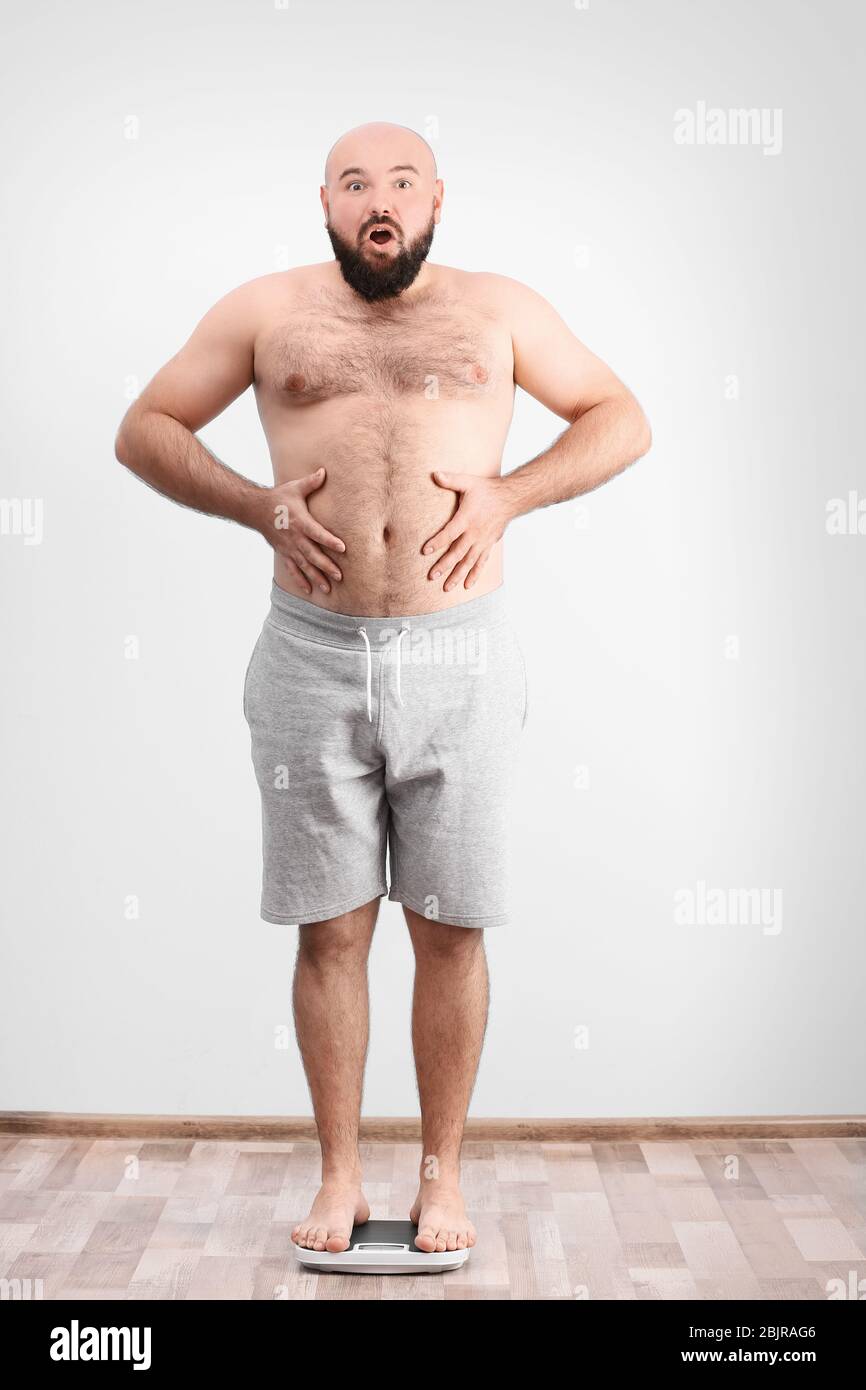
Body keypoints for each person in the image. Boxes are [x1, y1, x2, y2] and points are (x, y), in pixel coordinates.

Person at [114, 120, 651, 1257]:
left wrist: (508, 496)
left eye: (401, 180)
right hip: (308, 649)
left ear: (436, 199)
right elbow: (144, 428)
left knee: (450, 928)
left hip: (461, 651)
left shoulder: (498, 306)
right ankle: (341, 1174)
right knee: (328, 933)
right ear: (323, 201)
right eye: (356, 180)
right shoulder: (265, 308)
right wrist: (255, 504)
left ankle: (443, 1175)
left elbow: (621, 416)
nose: (380, 197)